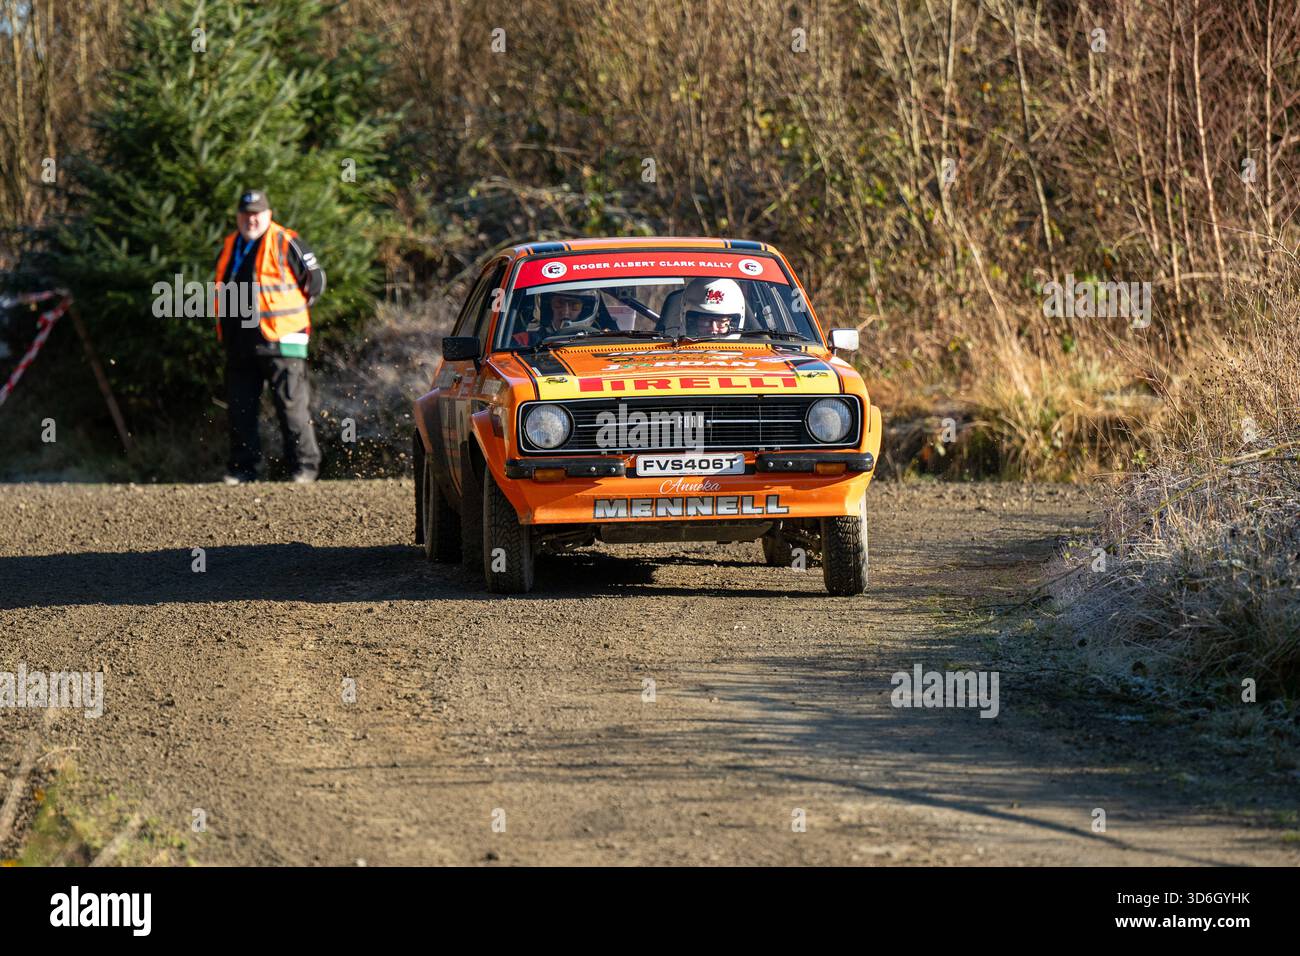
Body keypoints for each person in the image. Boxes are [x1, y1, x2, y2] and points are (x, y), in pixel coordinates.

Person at [213, 189, 326, 484]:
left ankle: (304, 468)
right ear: (238, 217)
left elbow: (316, 281)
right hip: (240, 343)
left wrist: (295, 314)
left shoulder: (285, 240)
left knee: (290, 407)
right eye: (246, 214)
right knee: (240, 410)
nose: (251, 220)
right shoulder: (231, 245)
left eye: (256, 214)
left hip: (283, 340)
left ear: (268, 214)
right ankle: (243, 470)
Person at [680, 277, 745, 338]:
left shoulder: (750, 347)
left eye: (721, 323)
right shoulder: (673, 347)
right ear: (693, 322)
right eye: (705, 322)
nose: (713, 331)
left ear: (732, 324)